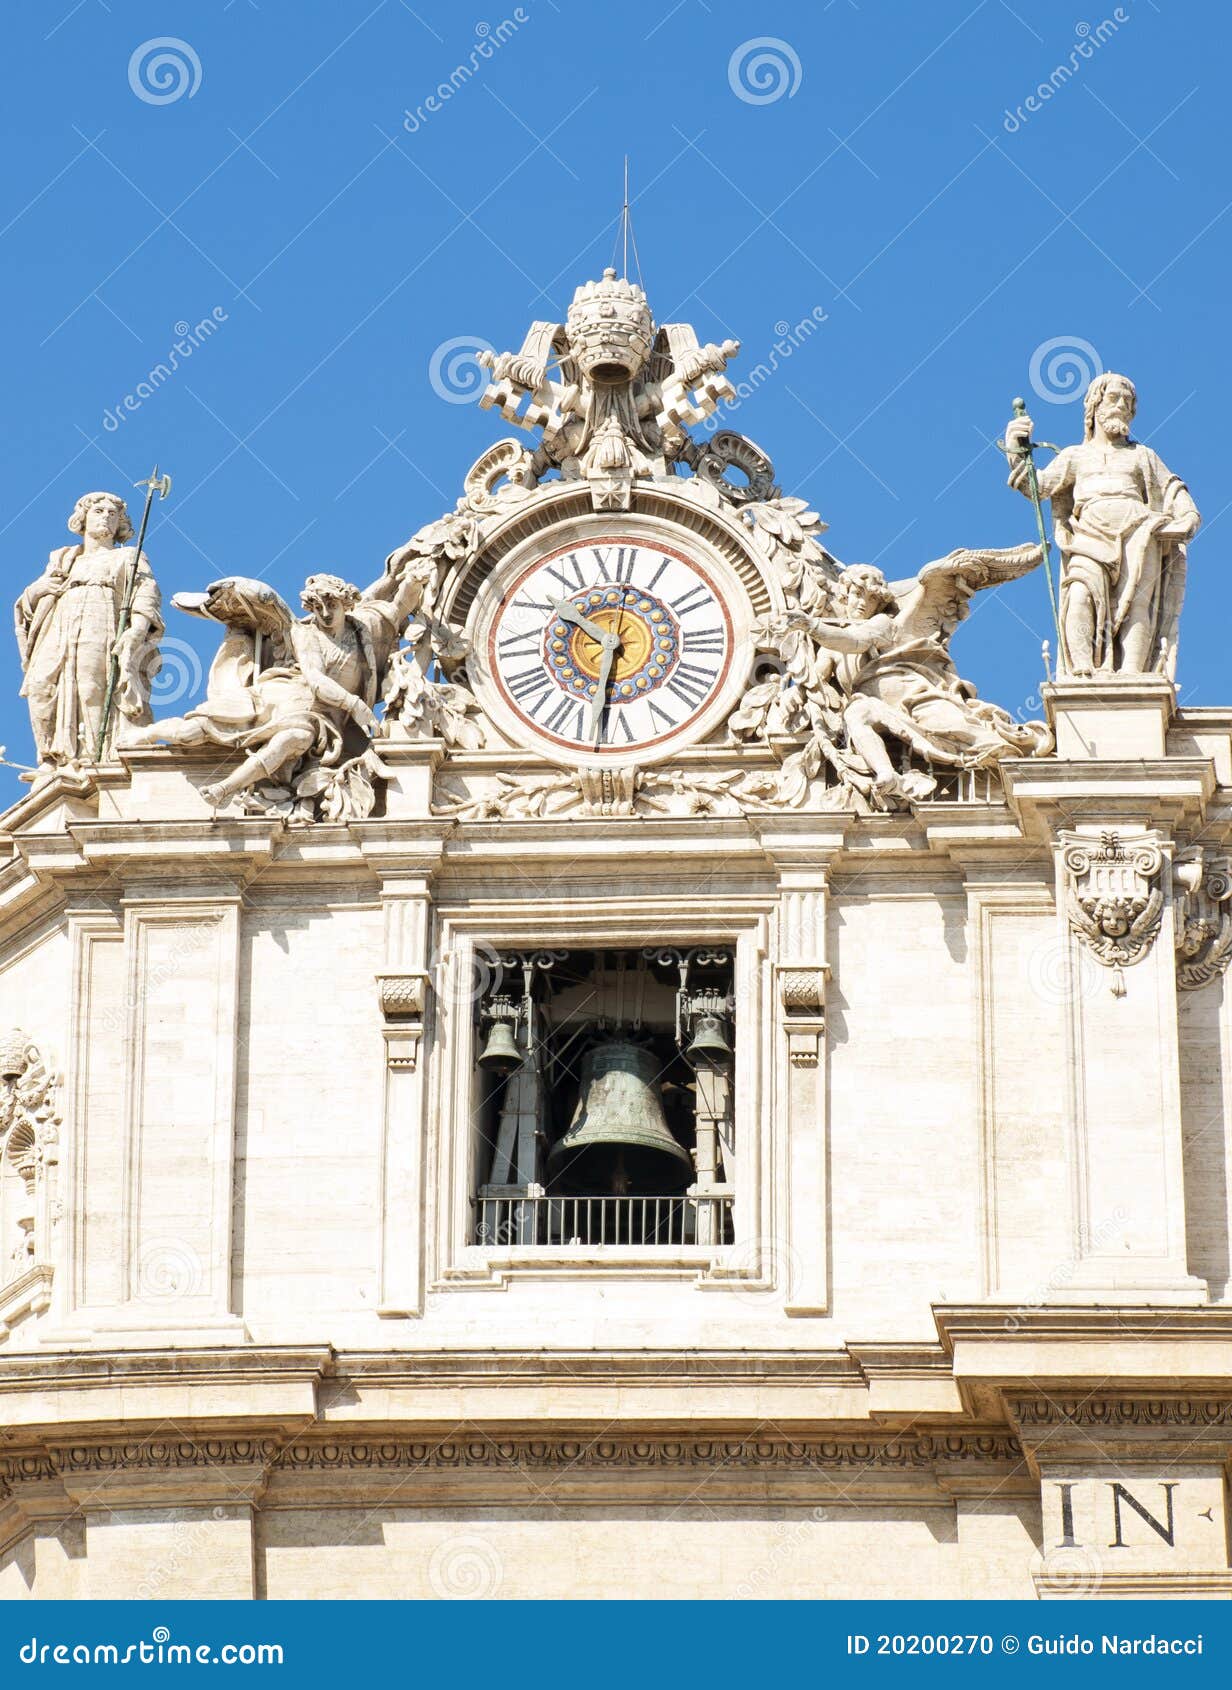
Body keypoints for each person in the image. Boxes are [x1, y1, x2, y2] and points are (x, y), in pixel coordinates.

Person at [1003, 374, 1199, 676]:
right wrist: (1016, 451)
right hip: (1087, 536)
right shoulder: (1075, 456)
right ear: (1095, 404)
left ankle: (1132, 676)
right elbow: (1037, 487)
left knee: (1136, 603)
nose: (1122, 405)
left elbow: (1173, 488)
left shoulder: (1143, 455)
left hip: (1139, 531)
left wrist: (1187, 515)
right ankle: (1081, 672)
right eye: (1114, 398)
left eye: (1128, 401)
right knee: (1080, 592)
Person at [15, 491, 163, 774]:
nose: (106, 517)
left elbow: (147, 593)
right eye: (98, 511)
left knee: (92, 685)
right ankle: (50, 757)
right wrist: (35, 591)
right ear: (82, 518)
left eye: (112, 513)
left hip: (102, 614)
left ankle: (94, 761)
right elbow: (28, 603)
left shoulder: (128, 556)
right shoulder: (63, 558)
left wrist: (137, 631)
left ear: (121, 522)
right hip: (59, 622)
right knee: (41, 686)